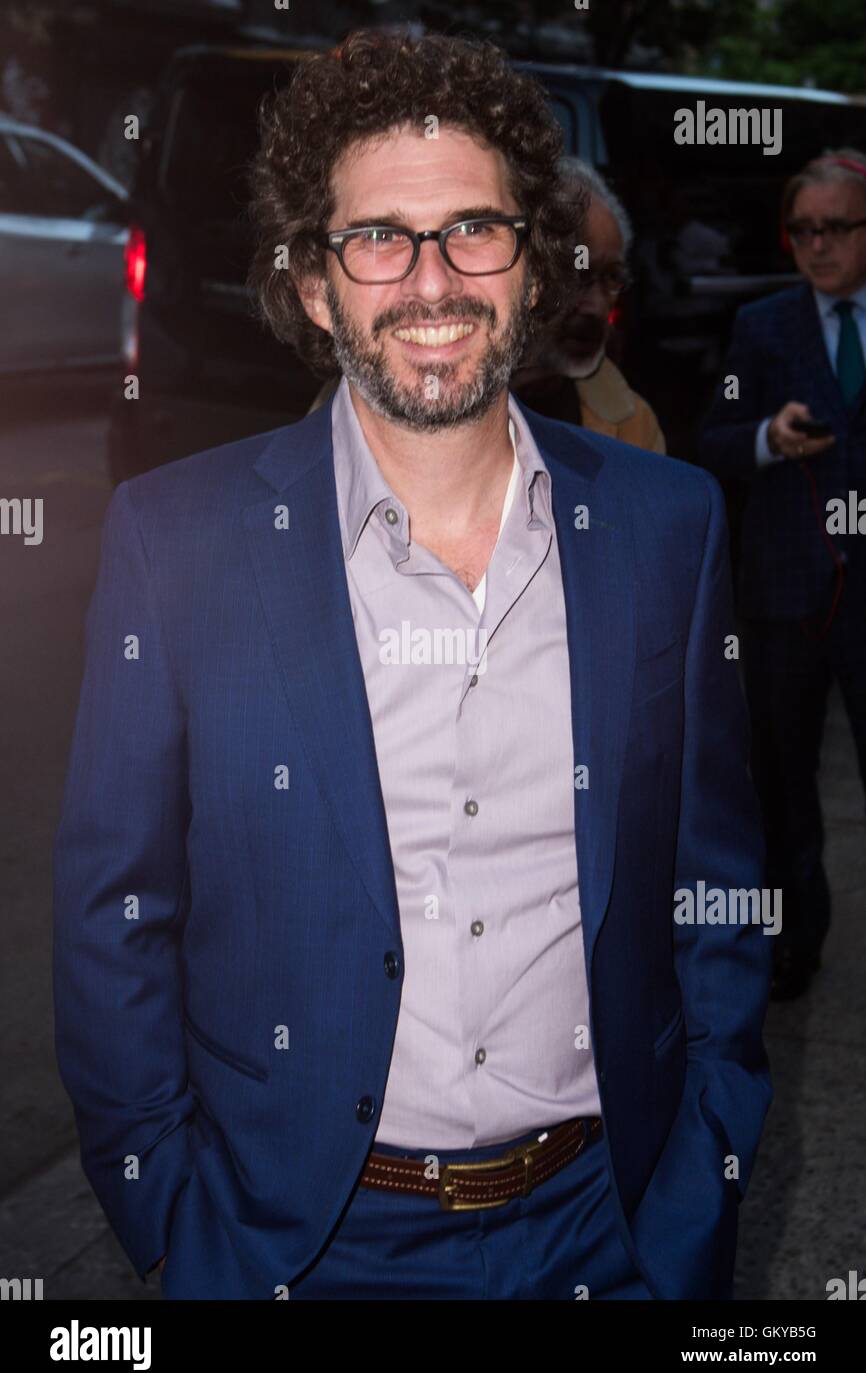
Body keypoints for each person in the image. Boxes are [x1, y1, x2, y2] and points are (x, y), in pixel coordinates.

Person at [54, 29, 771, 1301]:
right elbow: (117, 914)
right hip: (299, 1243)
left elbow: (711, 877)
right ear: (317, 284)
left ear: (533, 266)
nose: (430, 281)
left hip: (609, 1227)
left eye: (472, 232)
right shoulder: (180, 541)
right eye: (377, 237)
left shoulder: (669, 526)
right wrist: (166, 1217)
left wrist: (705, 1154)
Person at [700, 148, 866, 1001]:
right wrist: (767, 435)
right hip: (787, 597)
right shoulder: (764, 328)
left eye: (836, 228)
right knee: (783, 783)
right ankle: (795, 943)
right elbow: (714, 438)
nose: (818, 246)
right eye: (803, 230)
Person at [510, 158, 666, 451]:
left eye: (612, 277)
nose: (595, 307)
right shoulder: (446, 404)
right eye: (576, 275)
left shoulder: (633, 424)